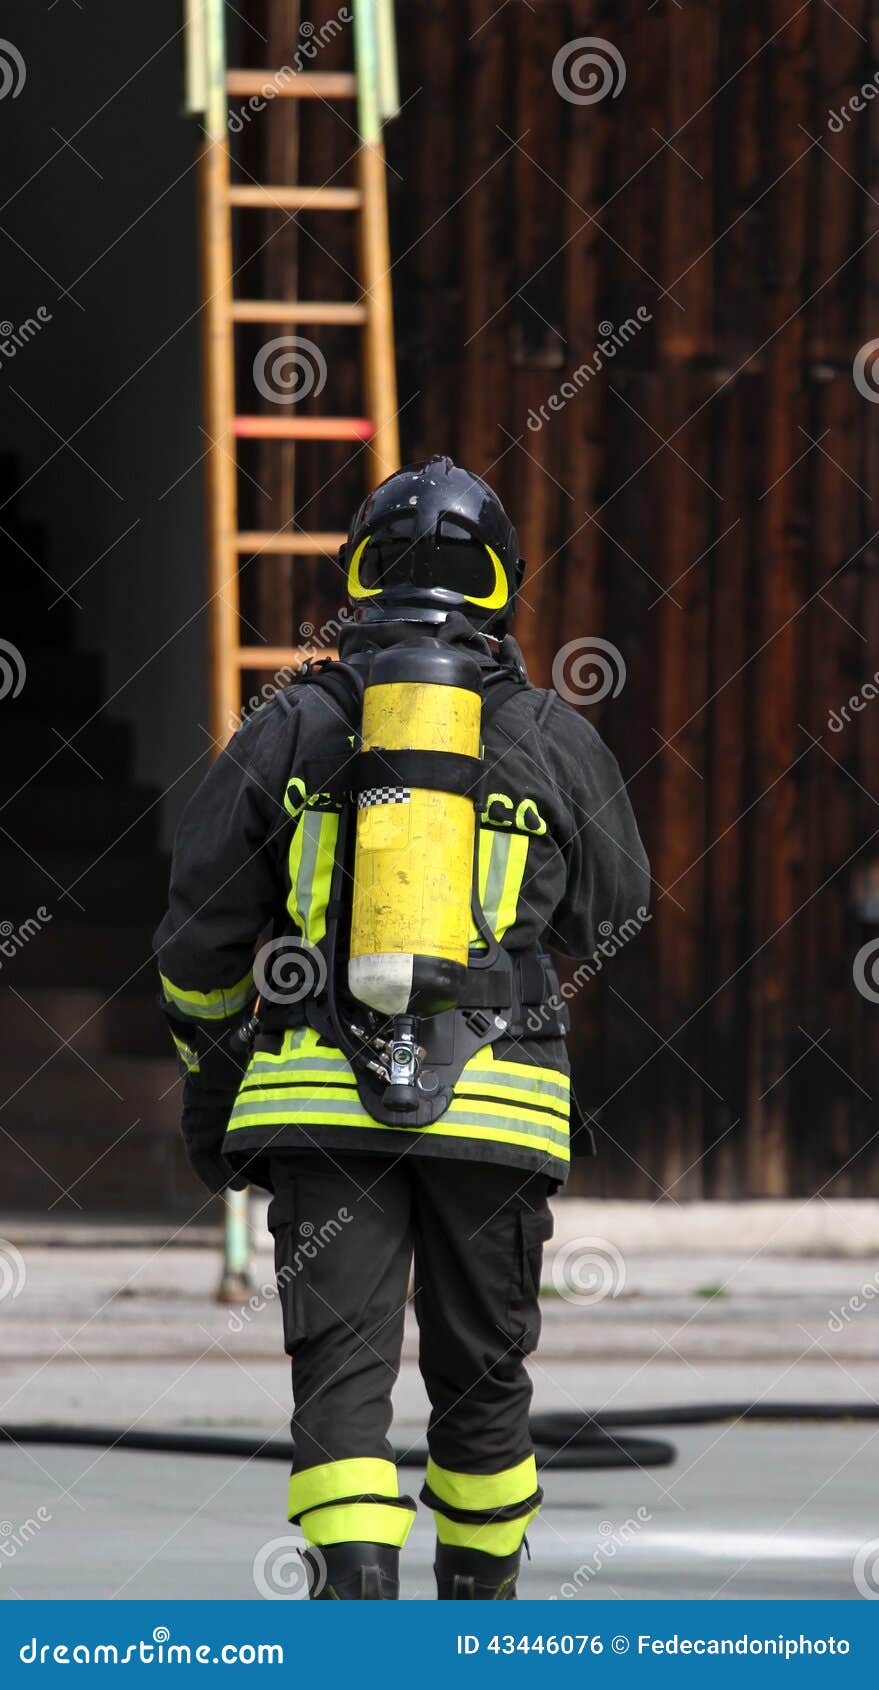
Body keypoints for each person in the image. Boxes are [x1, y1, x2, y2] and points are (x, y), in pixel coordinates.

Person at [154, 455, 650, 1600]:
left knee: (342, 1392)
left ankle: (357, 1644)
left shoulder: (288, 727)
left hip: (322, 1113)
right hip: (499, 1109)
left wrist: (211, 1084)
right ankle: (478, 1637)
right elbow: (613, 909)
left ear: (359, 579)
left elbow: (197, 945)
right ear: (500, 587)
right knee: (484, 1388)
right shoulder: (550, 734)